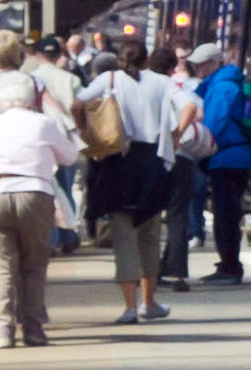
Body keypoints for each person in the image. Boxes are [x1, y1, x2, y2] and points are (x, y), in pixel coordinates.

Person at [0, 68, 80, 349]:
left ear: (2, 98)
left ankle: (2, 329)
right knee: (34, 266)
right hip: (34, 193)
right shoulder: (43, 124)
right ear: (31, 97)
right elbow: (70, 156)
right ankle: (33, 329)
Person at [75, 38, 180, 326]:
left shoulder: (109, 79)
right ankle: (149, 303)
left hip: (118, 160)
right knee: (149, 235)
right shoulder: (161, 82)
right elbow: (190, 108)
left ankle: (129, 307)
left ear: (119, 60)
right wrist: (175, 136)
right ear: (146, 60)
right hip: (153, 162)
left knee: (124, 236)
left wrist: (89, 135)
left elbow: (78, 103)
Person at [180, 39, 251, 283]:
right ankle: (228, 264)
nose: (198, 70)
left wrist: (200, 148)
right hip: (233, 156)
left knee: (225, 214)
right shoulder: (223, 83)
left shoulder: (223, 87)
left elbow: (215, 124)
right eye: (195, 66)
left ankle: (230, 268)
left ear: (215, 63)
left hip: (228, 158)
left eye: (202, 65)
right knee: (226, 213)